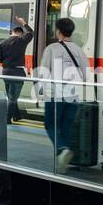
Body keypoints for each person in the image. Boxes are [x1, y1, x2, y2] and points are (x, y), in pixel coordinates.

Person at [35, 17, 88, 166]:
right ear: (71, 32)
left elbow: (43, 72)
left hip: (54, 95)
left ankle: (61, 149)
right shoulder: (79, 50)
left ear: (58, 31)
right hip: (73, 97)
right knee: (65, 127)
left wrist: (40, 92)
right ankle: (62, 159)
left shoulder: (52, 49)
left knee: (50, 125)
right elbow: (86, 75)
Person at [0, 16, 33, 123]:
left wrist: (7, 62)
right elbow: (30, 33)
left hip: (6, 72)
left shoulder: (3, 43)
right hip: (17, 73)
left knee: (11, 95)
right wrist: (24, 23)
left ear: (12, 32)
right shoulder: (21, 40)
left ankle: (17, 115)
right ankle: (7, 119)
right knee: (13, 97)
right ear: (20, 33)